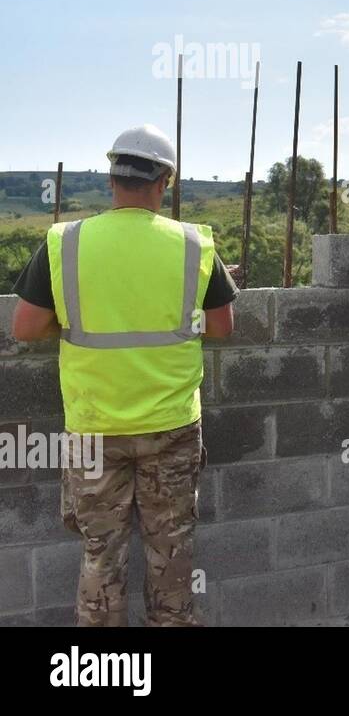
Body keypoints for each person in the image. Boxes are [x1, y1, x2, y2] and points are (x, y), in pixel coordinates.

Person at [9, 124, 238, 626]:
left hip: (94, 428)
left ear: (113, 179)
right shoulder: (193, 245)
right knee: (171, 554)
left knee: (101, 555)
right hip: (171, 427)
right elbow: (222, 326)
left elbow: (25, 328)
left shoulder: (65, 242)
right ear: (164, 182)